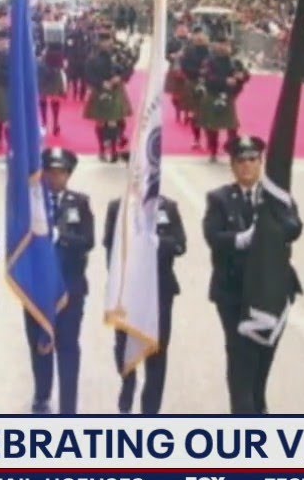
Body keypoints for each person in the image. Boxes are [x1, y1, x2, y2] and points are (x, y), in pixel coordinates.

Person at [202, 135, 303, 415]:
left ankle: (258, 408)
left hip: (272, 291)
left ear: (261, 163)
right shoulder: (220, 198)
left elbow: (294, 229)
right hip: (234, 293)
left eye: (252, 160)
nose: (247, 165)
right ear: (232, 166)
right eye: (241, 160)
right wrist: (242, 239)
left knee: (262, 360)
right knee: (240, 362)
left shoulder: (277, 197)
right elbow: (213, 236)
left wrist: (277, 220)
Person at [103, 193, 187, 415]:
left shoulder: (168, 206)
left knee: (157, 354)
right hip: (128, 293)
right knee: (123, 349)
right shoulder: (117, 207)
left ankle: (150, 411)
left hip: (160, 291)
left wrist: (155, 242)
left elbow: (180, 244)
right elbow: (109, 251)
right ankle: (127, 388)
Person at [29, 147, 94, 414]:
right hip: (38, 290)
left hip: (70, 288)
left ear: (68, 175)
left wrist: (62, 238)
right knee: (40, 345)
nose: (55, 178)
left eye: (61, 173)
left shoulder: (80, 203)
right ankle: (42, 397)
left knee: (68, 347)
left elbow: (88, 241)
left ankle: (69, 405)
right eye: (51, 172)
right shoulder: (33, 205)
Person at [197, 34, 251, 163]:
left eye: (226, 45)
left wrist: (241, 76)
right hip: (212, 95)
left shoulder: (235, 62)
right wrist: (225, 81)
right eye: (221, 45)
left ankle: (232, 149)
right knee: (212, 128)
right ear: (215, 46)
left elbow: (246, 76)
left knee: (232, 127)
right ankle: (213, 151)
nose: (224, 48)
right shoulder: (209, 61)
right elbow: (207, 79)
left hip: (228, 96)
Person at [83, 32, 133, 162]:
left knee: (114, 121)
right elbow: (88, 75)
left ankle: (114, 150)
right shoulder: (93, 58)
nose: (106, 43)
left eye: (108, 40)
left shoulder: (119, 55)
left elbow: (129, 68)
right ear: (99, 43)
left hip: (116, 90)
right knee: (101, 122)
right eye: (103, 41)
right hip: (100, 91)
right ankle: (102, 149)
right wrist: (101, 83)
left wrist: (120, 78)